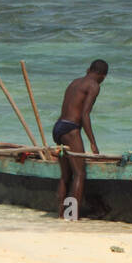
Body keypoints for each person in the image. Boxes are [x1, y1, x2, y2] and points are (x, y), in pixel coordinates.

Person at [53, 59, 107, 219]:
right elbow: (84, 115)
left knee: (65, 175)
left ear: (88, 69)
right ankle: (72, 216)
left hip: (58, 127)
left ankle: (62, 214)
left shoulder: (75, 82)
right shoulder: (94, 86)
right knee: (79, 174)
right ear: (102, 76)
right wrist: (93, 143)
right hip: (70, 129)